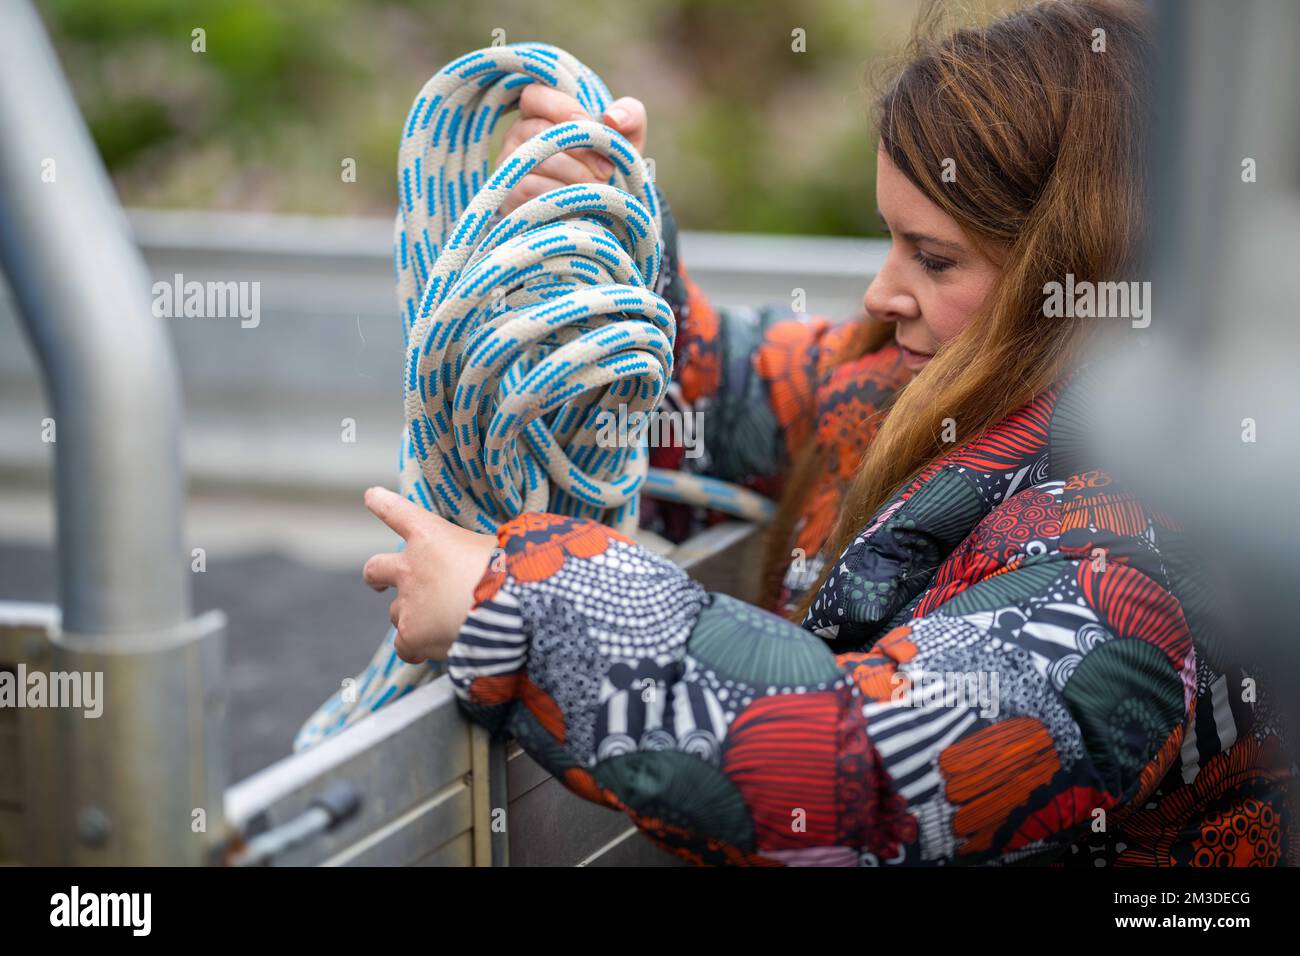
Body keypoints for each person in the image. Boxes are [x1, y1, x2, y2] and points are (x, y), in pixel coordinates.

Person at [352, 0, 1297, 865]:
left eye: (933, 258)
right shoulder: (910, 382)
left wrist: (509, 600)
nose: (882, 294)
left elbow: (857, 772)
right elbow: (723, 396)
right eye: (889, 240)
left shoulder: (1141, 572)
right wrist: (609, 229)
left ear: (1074, 275)